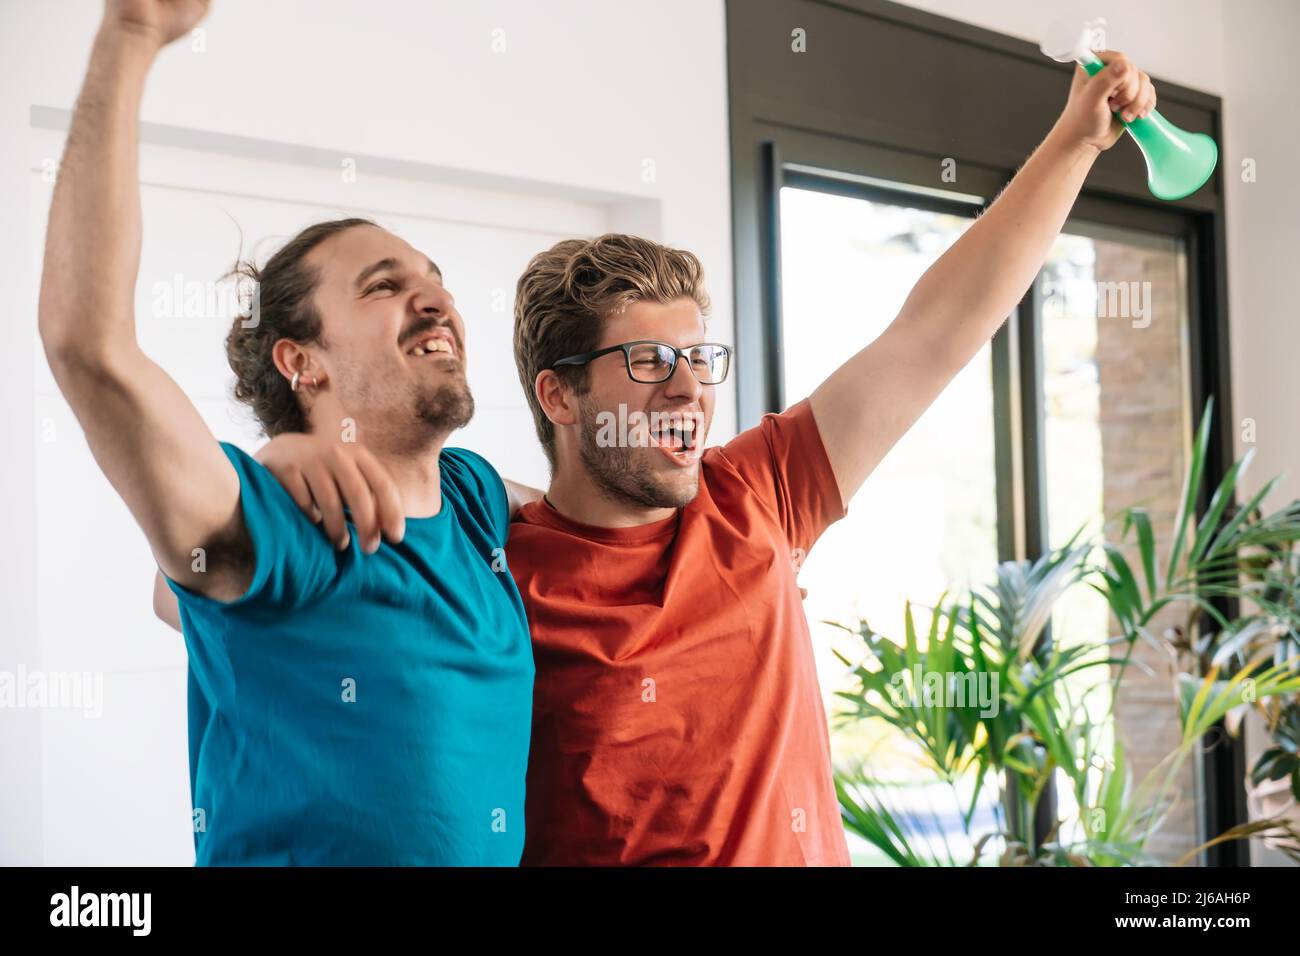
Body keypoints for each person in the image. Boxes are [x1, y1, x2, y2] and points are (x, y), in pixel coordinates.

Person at [155, 19, 1159, 865]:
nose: (688, 388)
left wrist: (1072, 142)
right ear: (558, 393)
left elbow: (936, 330)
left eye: (698, 356)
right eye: (645, 363)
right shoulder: (495, 569)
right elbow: (194, 584)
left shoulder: (759, 496)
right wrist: (284, 463)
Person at [41, 0, 534, 865]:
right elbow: (92, 349)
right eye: (384, 285)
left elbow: (607, 521)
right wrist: (131, 39)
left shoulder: (476, 502)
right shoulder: (282, 528)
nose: (436, 299)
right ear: (302, 362)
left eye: (437, 278)